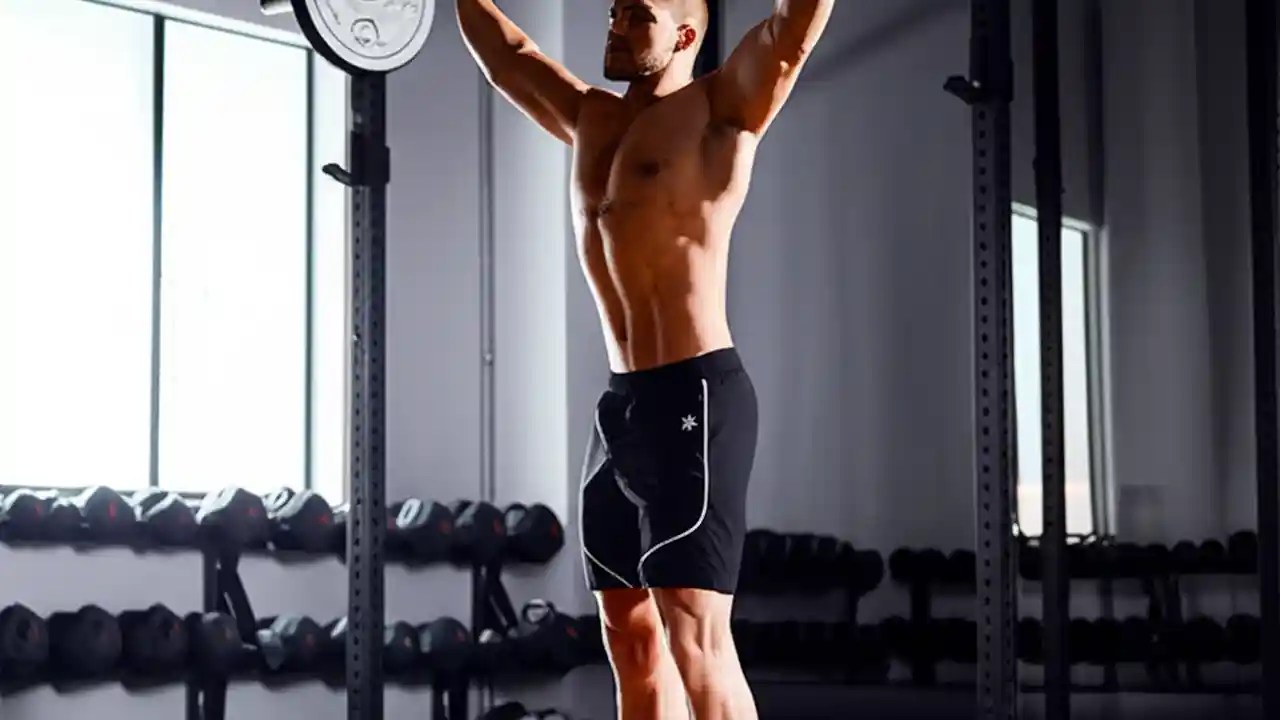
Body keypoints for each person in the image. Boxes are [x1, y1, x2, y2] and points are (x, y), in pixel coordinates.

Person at [456, 1, 833, 718]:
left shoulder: (722, 108)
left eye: (638, 16)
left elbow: (789, 36)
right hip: (621, 406)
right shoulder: (590, 118)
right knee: (627, 635)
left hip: (695, 395)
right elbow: (509, 58)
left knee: (694, 632)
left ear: (684, 34)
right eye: (614, 12)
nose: (616, 25)